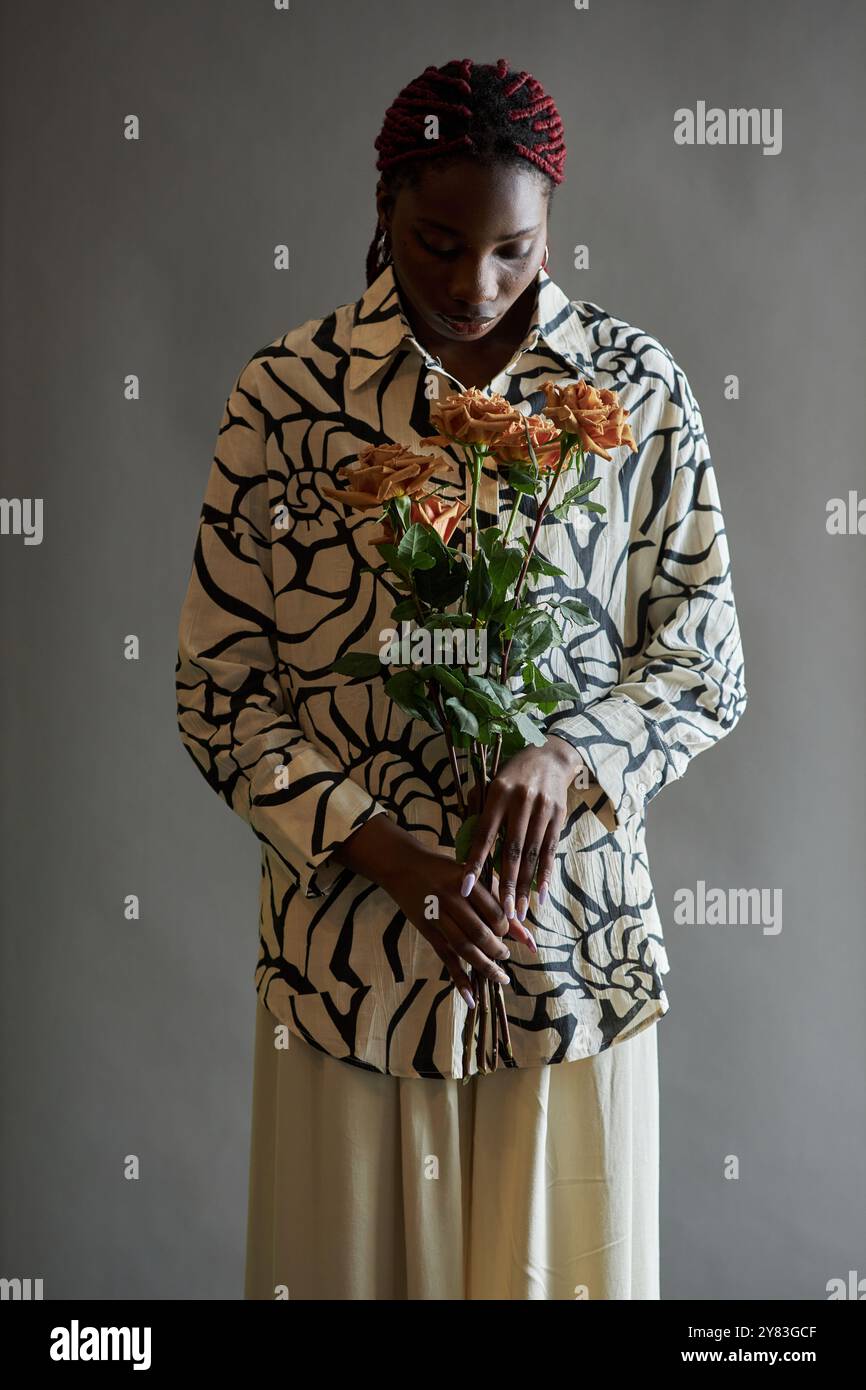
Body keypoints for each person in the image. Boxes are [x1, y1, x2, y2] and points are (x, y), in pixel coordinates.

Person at [175, 56, 747, 1300]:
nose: (472, 283)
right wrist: (384, 853)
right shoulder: (285, 395)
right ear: (382, 205)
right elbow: (221, 687)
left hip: (567, 952)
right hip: (349, 966)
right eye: (435, 241)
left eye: (513, 248)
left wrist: (568, 754)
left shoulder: (637, 394)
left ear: (550, 228)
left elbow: (703, 660)